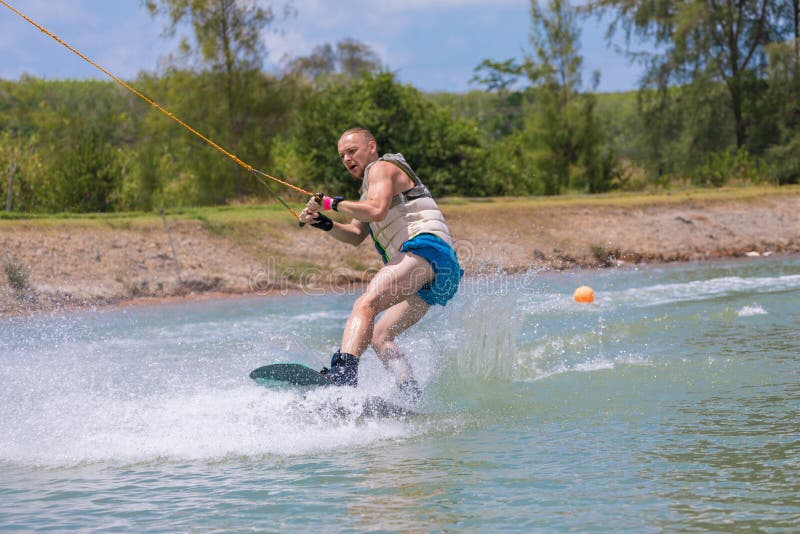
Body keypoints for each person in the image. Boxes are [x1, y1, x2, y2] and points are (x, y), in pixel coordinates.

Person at [299, 128, 462, 400]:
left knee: (365, 304)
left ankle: (343, 375)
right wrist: (323, 222)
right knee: (380, 336)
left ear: (371, 147)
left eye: (352, 151)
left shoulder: (381, 168)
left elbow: (378, 211)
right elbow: (354, 236)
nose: (347, 159)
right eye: (342, 156)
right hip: (442, 273)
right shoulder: (368, 191)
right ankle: (409, 392)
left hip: (426, 251)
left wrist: (331, 203)